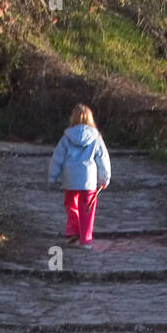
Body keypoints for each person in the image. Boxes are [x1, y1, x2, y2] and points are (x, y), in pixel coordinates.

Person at [48, 104, 111, 248]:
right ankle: (86, 240)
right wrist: (104, 178)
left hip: (70, 178)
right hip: (88, 179)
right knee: (87, 209)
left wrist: (53, 176)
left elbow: (57, 157)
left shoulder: (66, 137)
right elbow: (102, 158)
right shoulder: (96, 137)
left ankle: (72, 231)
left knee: (71, 205)